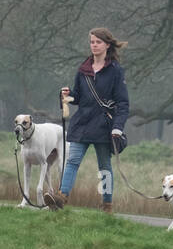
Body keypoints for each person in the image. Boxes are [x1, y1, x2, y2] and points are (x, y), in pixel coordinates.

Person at [44, 27, 130, 212]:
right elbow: (80, 97)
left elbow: (123, 104)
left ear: (107, 45)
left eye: (98, 42)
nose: (94, 45)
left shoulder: (115, 71)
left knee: (104, 167)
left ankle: (107, 205)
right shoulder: (83, 69)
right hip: (82, 123)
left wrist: (118, 128)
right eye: (92, 42)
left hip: (103, 126)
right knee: (72, 161)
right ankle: (61, 197)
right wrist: (68, 95)